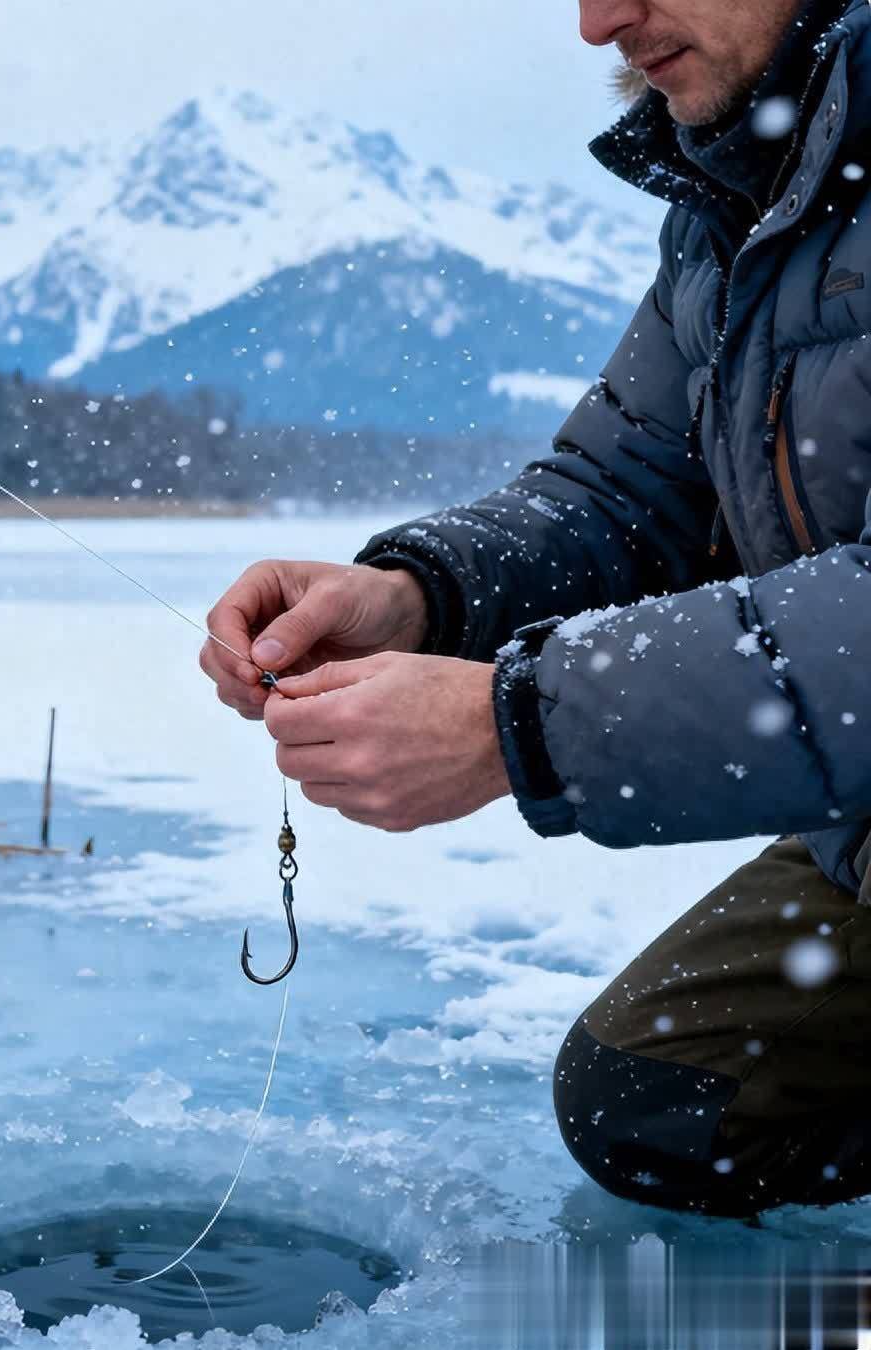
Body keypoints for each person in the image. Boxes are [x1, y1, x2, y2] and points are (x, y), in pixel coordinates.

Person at [201, 0, 871, 1218]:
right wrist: (413, 598)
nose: (597, 21)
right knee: (653, 1094)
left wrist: (523, 725)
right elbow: (626, 496)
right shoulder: (734, 201)